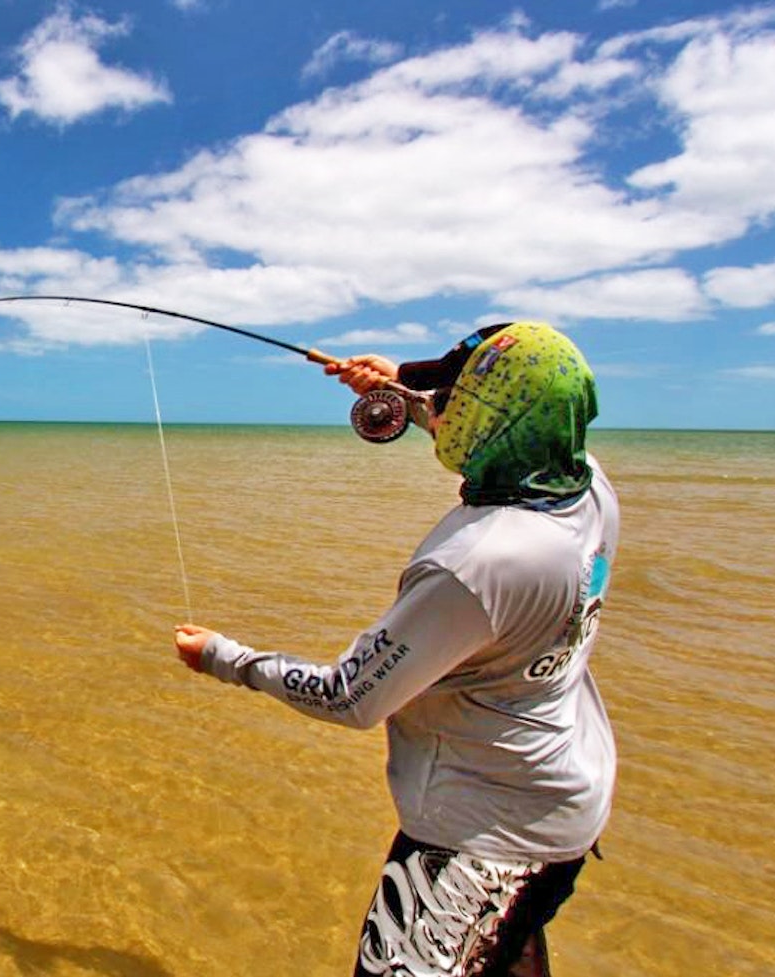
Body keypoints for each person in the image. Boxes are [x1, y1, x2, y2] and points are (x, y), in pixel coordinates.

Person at [171, 321, 618, 977]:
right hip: (562, 801)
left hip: (479, 843)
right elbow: (487, 429)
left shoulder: (479, 563)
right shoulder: (588, 487)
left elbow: (349, 696)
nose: (440, 406)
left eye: (450, 395)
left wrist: (221, 655)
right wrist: (402, 385)